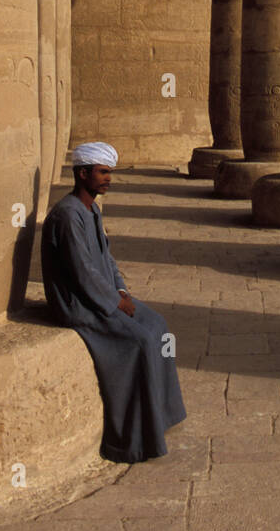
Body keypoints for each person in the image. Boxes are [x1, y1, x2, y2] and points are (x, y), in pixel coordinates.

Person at [41, 141, 186, 463]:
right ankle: (130, 441)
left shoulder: (91, 210)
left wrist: (120, 291)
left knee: (159, 327)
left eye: (109, 173)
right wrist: (114, 303)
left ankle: (161, 415)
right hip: (78, 304)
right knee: (140, 341)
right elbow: (81, 272)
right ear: (83, 173)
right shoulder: (68, 216)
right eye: (103, 172)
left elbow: (106, 259)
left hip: (103, 295)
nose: (108, 179)